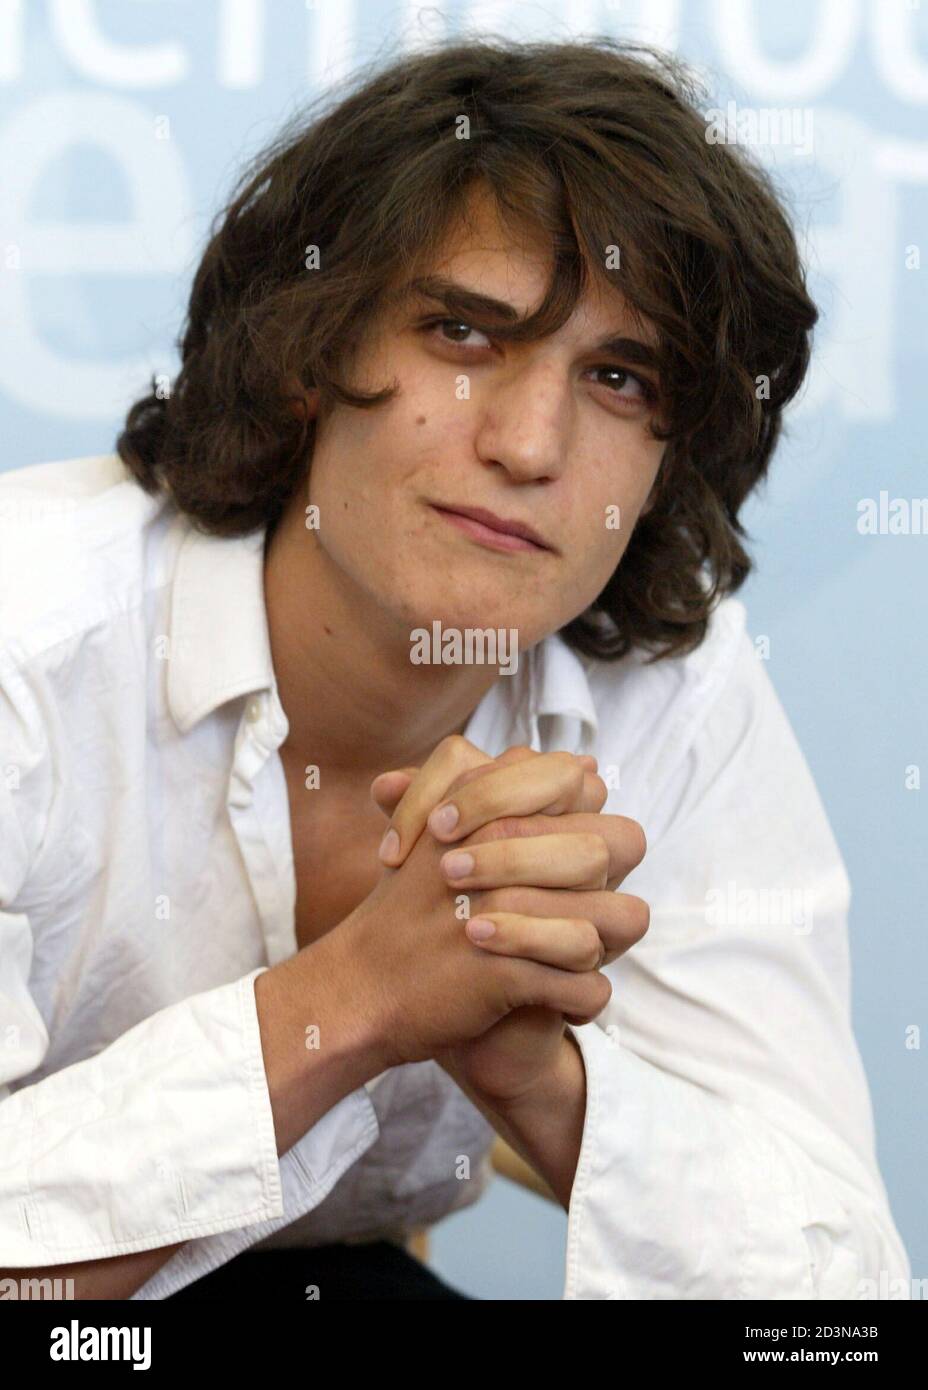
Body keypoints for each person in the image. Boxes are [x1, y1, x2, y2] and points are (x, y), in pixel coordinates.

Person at [0, 36, 910, 1301]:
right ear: (309, 349)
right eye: (464, 333)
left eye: (617, 376)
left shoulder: (672, 687)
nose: (531, 444)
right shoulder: (27, 631)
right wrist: (359, 996)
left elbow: (835, 1316)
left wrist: (545, 1079)